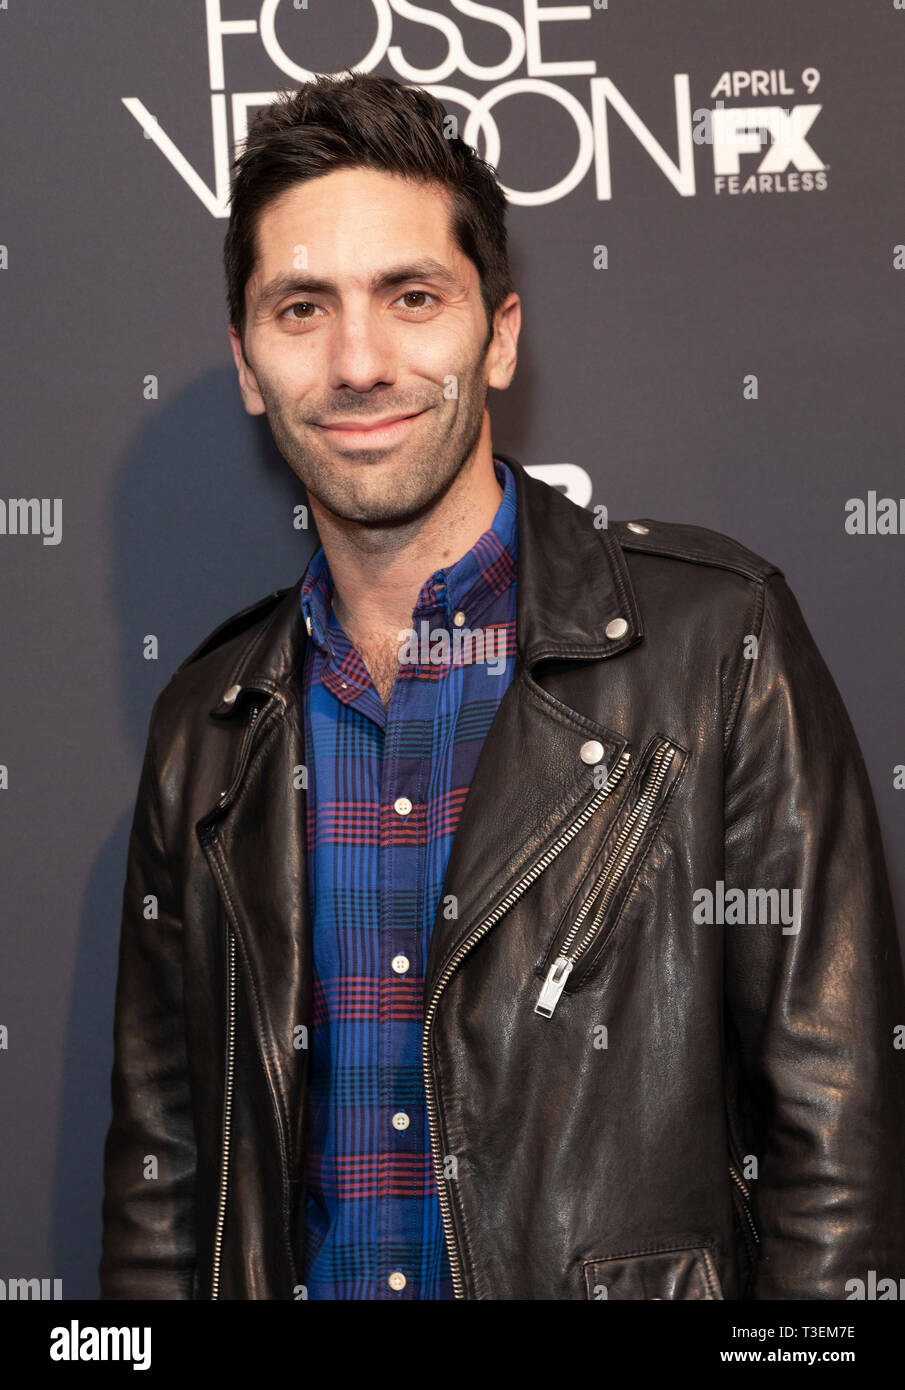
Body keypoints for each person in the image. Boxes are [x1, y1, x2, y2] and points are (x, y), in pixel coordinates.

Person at [99, 71, 905, 1301]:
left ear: (500, 334)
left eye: (411, 297)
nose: (358, 361)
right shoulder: (206, 726)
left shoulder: (715, 644)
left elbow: (835, 1152)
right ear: (249, 364)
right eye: (302, 308)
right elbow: (163, 1196)